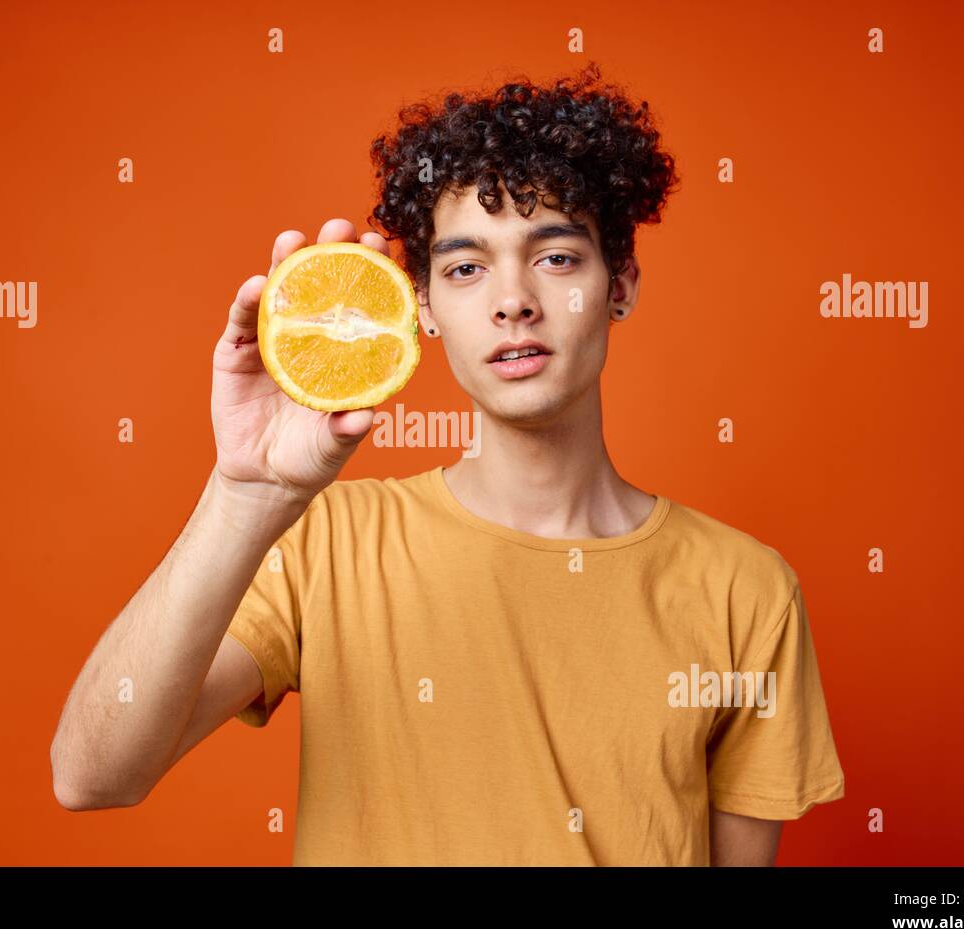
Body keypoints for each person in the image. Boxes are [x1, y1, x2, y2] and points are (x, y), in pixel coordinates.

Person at [50, 62, 845, 866]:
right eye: (466, 268)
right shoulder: (328, 544)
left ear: (622, 285)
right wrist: (243, 493)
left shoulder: (746, 591)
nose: (512, 300)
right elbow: (92, 774)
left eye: (557, 257)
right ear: (424, 308)